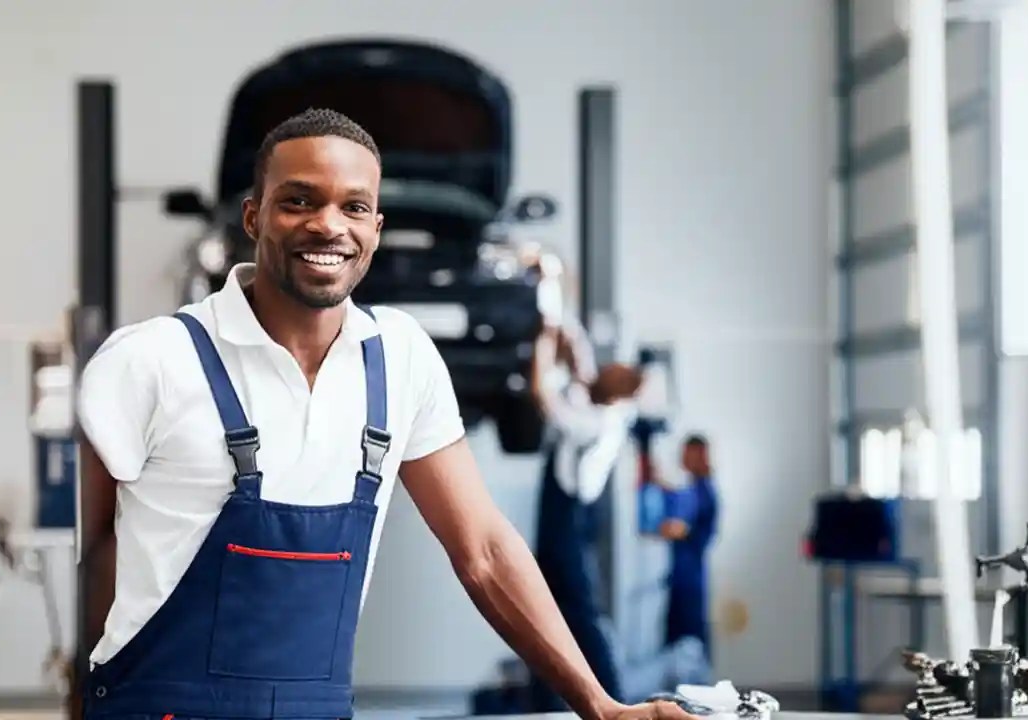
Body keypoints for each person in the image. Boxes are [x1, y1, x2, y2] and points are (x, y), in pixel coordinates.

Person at [74, 108, 691, 720]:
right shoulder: (149, 360)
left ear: (375, 227)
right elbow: (98, 552)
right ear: (253, 215)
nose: (328, 225)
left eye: (354, 207)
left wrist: (599, 706)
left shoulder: (400, 359)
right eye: (299, 201)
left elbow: (484, 548)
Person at [527, 319, 645, 711]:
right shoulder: (603, 406)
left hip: (569, 524)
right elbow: (584, 370)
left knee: (578, 610)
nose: (598, 375)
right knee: (546, 607)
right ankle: (547, 697)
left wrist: (544, 344)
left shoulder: (595, 423)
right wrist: (566, 326)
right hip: (566, 520)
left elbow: (542, 395)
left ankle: (612, 694)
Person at [658, 434, 719, 664]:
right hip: (680, 574)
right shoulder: (692, 488)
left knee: (689, 634)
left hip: (690, 575)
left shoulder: (704, 490)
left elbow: (694, 530)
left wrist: (677, 530)